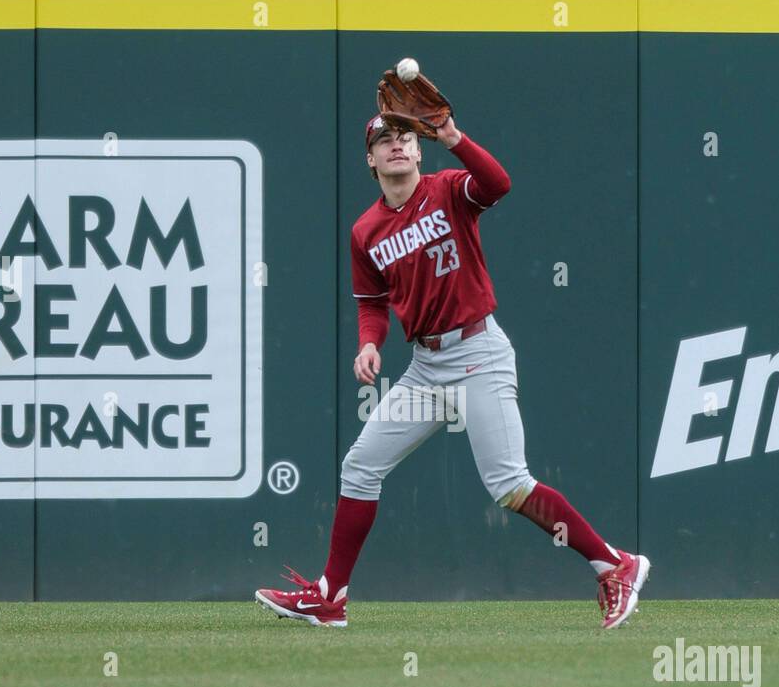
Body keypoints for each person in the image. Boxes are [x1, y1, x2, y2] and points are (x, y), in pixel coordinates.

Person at [253, 112, 650, 629]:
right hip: (425, 368)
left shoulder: (449, 191)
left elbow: (498, 183)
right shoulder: (365, 231)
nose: (397, 146)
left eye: (405, 139)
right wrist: (368, 346)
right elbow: (372, 303)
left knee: (509, 484)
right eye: (384, 141)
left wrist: (455, 140)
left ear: (420, 153)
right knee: (360, 467)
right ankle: (331, 596)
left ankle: (616, 564)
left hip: (479, 354)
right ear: (369, 160)